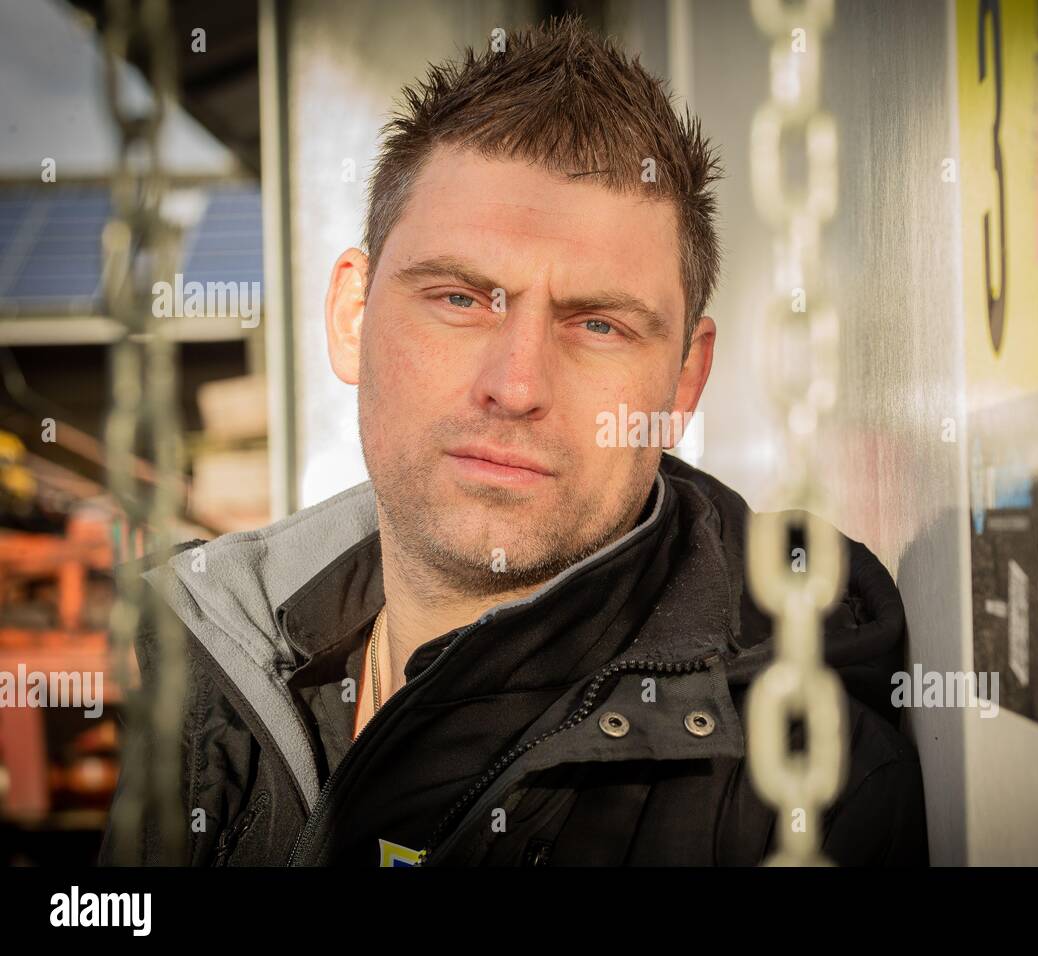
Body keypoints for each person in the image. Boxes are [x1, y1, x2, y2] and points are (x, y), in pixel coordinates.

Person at [98, 14, 927, 867]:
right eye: (460, 298)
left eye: (599, 325)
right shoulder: (216, 665)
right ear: (353, 316)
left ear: (683, 383)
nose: (518, 386)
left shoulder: (788, 795)